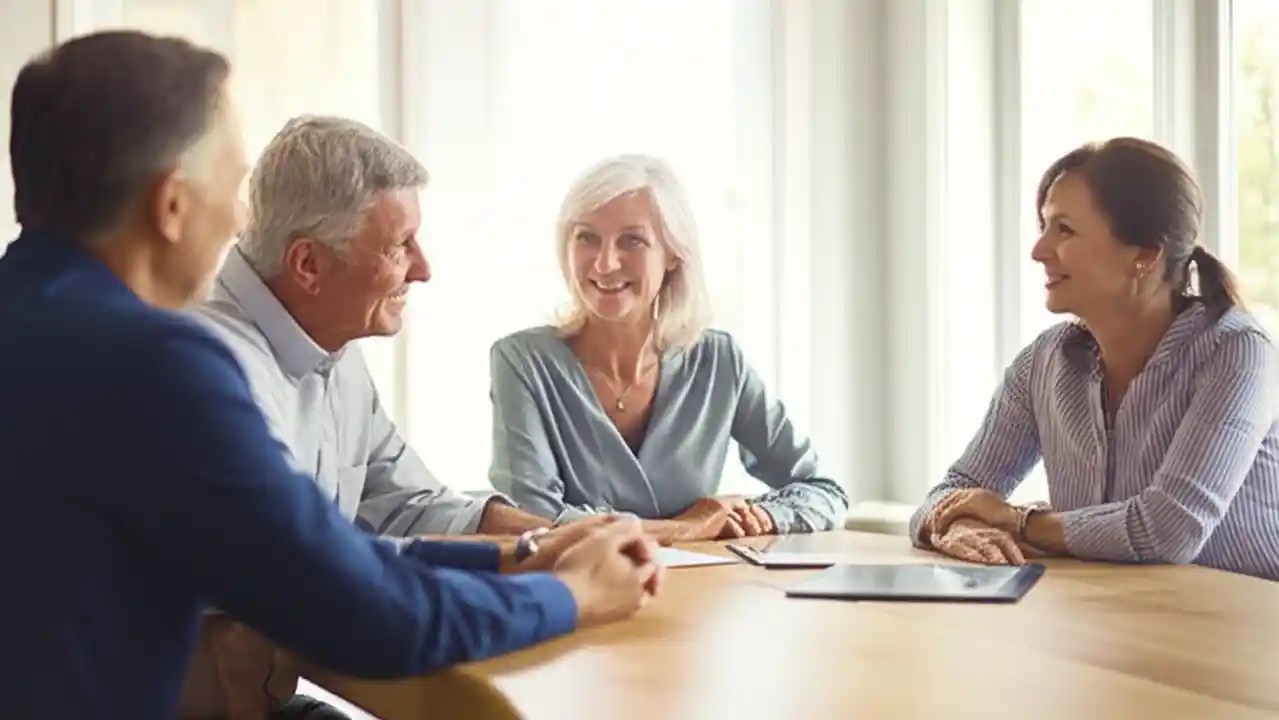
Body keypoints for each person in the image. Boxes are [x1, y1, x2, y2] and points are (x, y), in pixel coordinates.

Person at [0, 31, 660, 719]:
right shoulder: (158, 367)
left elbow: (329, 549)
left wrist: (510, 557)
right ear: (171, 207)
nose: (237, 220)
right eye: (232, 186)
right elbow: (361, 613)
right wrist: (574, 594)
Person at [187, 114, 599, 717]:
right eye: (399, 245)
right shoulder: (209, 368)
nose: (424, 267)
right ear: (308, 264)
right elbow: (326, 578)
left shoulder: (331, 350)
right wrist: (564, 591)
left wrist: (547, 539)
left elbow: (407, 503)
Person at [910, 137, 1279, 582]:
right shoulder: (1043, 363)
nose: (1038, 250)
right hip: (1106, 621)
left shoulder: (1237, 351)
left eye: (1063, 229)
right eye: (1044, 226)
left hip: (1239, 633)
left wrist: (1017, 521)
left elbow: (1168, 530)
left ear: (1144, 254)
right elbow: (953, 491)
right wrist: (957, 522)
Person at [488, 154, 848, 544]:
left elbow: (822, 490)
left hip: (700, 595)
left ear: (673, 254)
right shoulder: (522, 362)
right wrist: (685, 528)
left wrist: (761, 515)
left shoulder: (719, 362)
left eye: (632, 240)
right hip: (578, 596)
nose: (606, 263)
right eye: (587, 237)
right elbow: (530, 518)